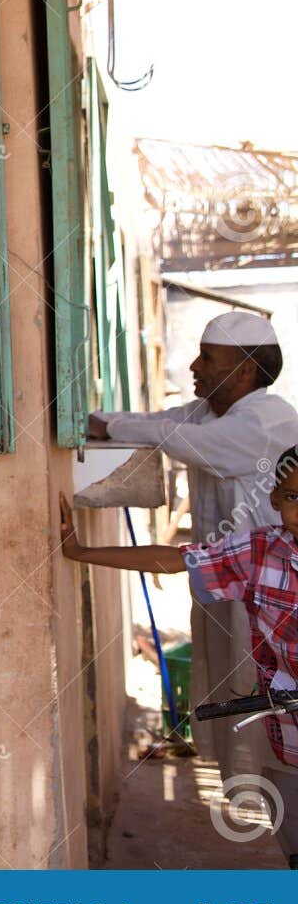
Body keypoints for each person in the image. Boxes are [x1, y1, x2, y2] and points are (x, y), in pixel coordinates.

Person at [88, 310, 298, 781]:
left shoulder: (266, 419)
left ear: (245, 370)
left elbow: (180, 439)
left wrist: (109, 426)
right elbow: (164, 422)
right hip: (229, 575)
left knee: (263, 683)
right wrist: (104, 422)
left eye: (207, 357)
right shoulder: (210, 413)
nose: (193, 367)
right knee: (234, 680)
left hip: (272, 585)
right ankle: (263, 789)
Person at [60, 459, 298, 866]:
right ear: (275, 500)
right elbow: (176, 560)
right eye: (294, 496)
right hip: (289, 742)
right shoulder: (259, 553)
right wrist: (80, 552)